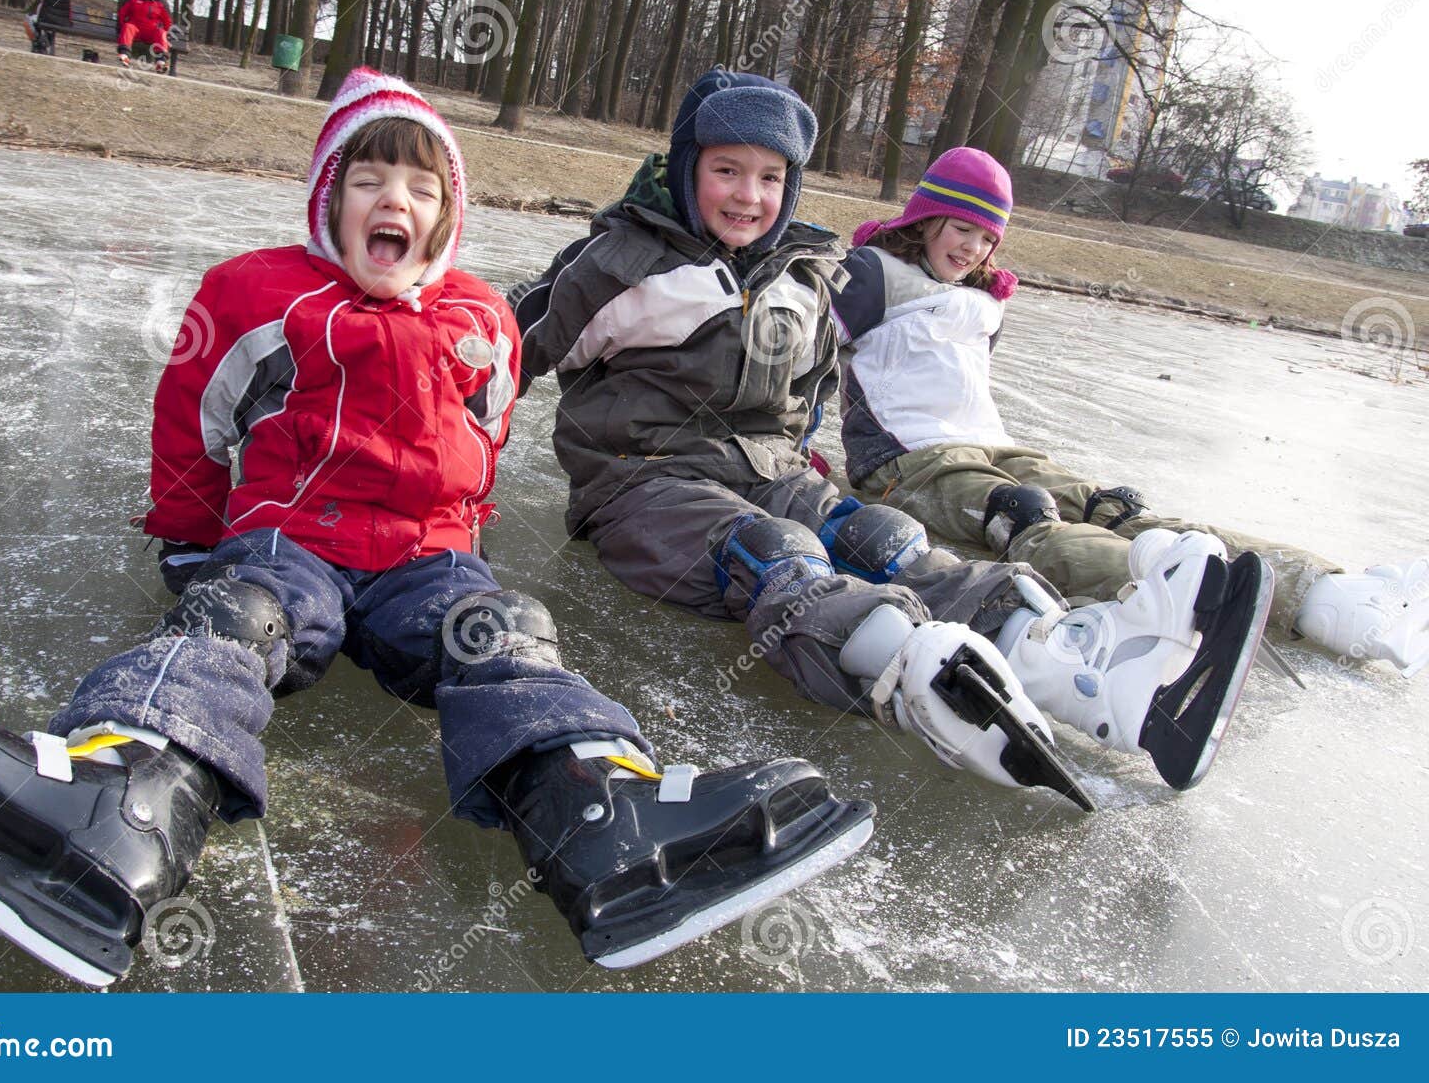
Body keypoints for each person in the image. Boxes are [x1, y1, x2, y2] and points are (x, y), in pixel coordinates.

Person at [0, 68, 874, 988]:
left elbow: (489, 422)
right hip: (291, 539)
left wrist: (464, 531)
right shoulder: (262, 292)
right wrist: (192, 531)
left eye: (423, 186)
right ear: (328, 197)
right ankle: (127, 796)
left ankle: (596, 811)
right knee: (234, 619)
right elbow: (194, 409)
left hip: (425, 559)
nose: (396, 201)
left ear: (448, 213)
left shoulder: (477, 315)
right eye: (369, 180)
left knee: (503, 631)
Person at [514, 69, 1273, 807]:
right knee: (776, 553)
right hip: (641, 484)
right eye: (726, 170)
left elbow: (810, 392)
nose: (749, 196)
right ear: (686, 168)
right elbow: (508, 339)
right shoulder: (624, 261)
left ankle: (1068, 661)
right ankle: (904, 665)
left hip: (764, 468)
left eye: (772, 177)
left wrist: (806, 471)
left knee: (883, 538)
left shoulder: (802, 272)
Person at [838, 147, 1428, 679]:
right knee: (1023, 520)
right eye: (962, 228)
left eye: (988, 237)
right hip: (907, 462)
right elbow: (811, 353)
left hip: (995, 446)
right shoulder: (870, 274)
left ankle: (1331, 596)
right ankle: (1185, 592)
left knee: (1109, 507)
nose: (973, 248)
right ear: (924, 218)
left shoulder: (983, 300)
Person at [117, 0, 172, 71]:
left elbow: (168, 21)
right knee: (128, 26)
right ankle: (125, 55)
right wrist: (119, 29)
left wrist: (168, 35)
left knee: (161, 32)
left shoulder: (161, 3)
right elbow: (122, 14)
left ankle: (161, 63)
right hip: (136, 31)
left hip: (151, 33)